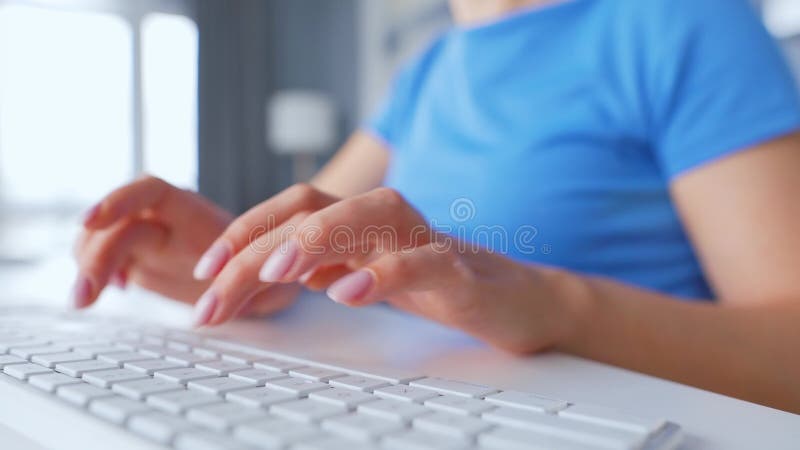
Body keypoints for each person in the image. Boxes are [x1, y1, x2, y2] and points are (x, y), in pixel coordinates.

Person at [73, 0, 800, 412]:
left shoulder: (683, 22)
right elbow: (314, 241)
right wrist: (232, 259)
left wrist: (554, 305)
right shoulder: (428, 69)